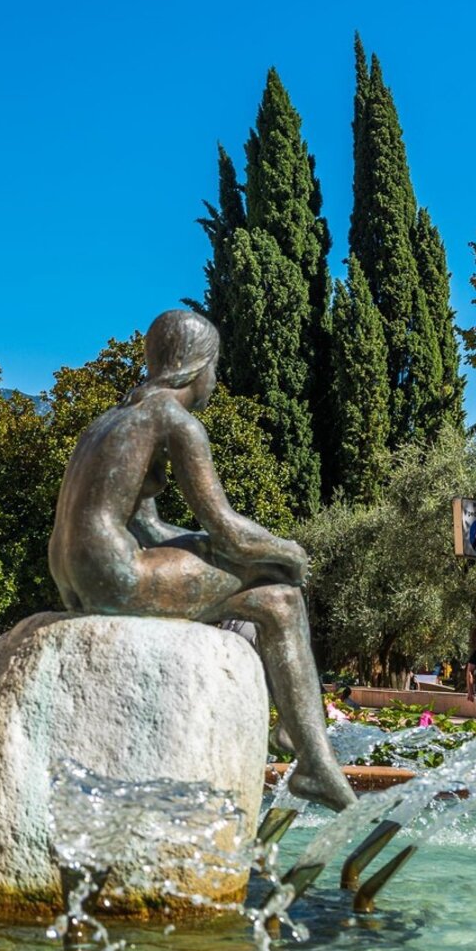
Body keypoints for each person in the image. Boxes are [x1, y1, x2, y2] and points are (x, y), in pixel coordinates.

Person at [47, 309, 354, 812]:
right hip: (116, 576)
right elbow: (228, 532)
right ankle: (314, 762)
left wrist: (226, 550)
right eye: (215, 367)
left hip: (77, 575)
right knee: (283, 593)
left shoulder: (114, 421)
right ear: (197, 366)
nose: (215, 379)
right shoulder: (176, 421)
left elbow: (152, 529)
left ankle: (303, 749)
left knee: (271, 598)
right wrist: (286, 551)